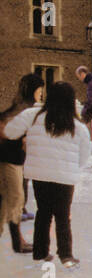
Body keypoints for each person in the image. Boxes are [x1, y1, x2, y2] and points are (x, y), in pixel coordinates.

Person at [2, 81, 92, 268]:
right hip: (65, 177)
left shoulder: (33, 115)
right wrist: (73, 168)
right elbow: (85, 154)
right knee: (63, 216)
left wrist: (27, 138)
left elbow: (10, 132)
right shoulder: (77, 125)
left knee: (43, 214)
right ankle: (66, 255)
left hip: (40, 174)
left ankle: (40, 252)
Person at [1, 73, 44, 254]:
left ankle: (17, 240)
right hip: (10, 159)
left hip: (15, 159)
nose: (41, 94)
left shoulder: (20, 108)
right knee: (16, 198)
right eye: (40, 90)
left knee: (7, 200)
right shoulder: (24, 110)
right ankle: (18, 241)